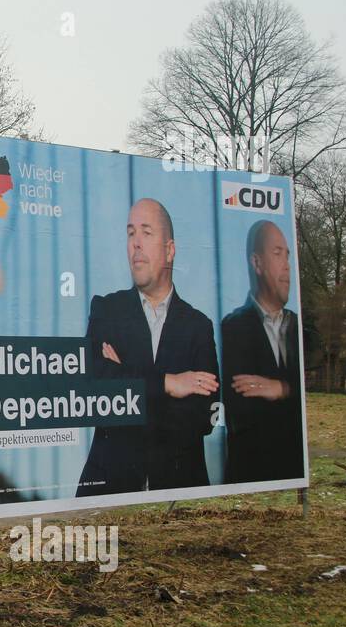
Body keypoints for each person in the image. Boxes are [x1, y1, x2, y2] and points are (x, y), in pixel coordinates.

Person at [77, 198, 219, 496]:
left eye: (146, 232)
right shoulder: (106, 310)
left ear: (170, 250)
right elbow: (93, 391)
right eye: (130, 233)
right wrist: (169, 384)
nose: (136, 244)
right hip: (109, 489)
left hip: (180, 494)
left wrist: (127, 386)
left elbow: (204, 417)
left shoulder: (198, 326)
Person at [221, 220, 305, 482]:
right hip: (253, 469)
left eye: (288, 255)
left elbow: (315, 390)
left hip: (293, 465)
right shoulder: (233, 327)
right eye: (277, 253)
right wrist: (292, 393)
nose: (287, 265)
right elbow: (243, 409)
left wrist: (281, 388)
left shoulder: (300, 328)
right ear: (256, 264)